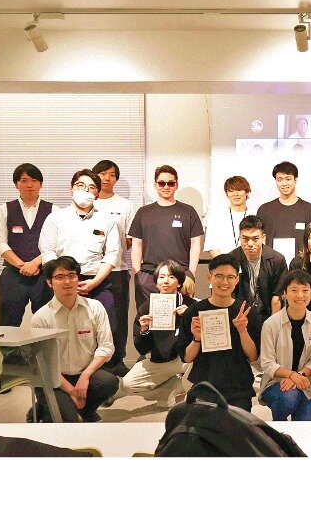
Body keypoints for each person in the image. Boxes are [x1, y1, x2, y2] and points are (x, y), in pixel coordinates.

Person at [38, 169, 120, 375]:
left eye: (91, 187)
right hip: (63, 281)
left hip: (96, 281)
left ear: (97, 194)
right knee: (61, 329)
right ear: (71, 190)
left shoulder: (108, 220)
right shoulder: (55, 218)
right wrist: (62, 279)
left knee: (108, 326)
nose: (86, 190)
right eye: (80, 186)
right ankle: (60, 376)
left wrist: (94, 282)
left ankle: (101, 376)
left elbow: (111, 255)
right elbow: (47, 251)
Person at [31, 256, 118, 423]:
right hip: (55, 379)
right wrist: (71, 391)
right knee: (68, 421)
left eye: (71, 275)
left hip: (84, 374)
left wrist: (85, 376)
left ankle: (86, 410)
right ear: (49, 282)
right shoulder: (41, 318)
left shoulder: (95, 307)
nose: (67, 281)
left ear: (78, 278)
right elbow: (43, 362)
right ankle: (45, 407)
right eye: (60, 277)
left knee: (109, 382)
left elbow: (106, 347)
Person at [177, 254, 262, 411]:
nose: (225, 282)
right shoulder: (194, 312)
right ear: (209, 278)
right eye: (219, 276)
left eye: (230, 277)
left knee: (237, 424)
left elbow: (253, 356)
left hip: (238, 387)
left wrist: (243, 331)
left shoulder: (246, 312)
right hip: (204, 385)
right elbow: (186, 357)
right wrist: (197, 339)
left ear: (237, 279)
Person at [116, 259, 194, 408]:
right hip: (159, 360)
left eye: (171, 277)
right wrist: (144, 330)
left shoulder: (191, 305)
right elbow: (142, 349)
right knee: (127, 384)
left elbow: (203, 339)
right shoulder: (146, 308)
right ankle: (169, 390)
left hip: (185, 360)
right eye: (161, 277)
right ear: (156, 283)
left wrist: (189, 317)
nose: (166, 281)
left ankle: (182, 389)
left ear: (179, 282)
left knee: (202, 366)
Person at [128, 164, 204, 307]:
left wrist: (191, 273)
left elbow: (196, 244)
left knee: (181, 317)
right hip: (149, 276)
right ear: (155, 185)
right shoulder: (143, 212)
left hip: (180, 276)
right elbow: (136, 244)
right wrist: (138, 274)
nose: (166, 187)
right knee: (147, 317)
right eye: (162, 183)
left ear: (176, 185)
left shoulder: (188, 211)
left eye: (170, 183)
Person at [258, 270, 311, 421]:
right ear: (285, 294)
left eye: (305, 290)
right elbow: (267, 363)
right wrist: (291, 375)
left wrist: (299, 376)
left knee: (310, 429)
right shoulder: (271, 324)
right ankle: (278, 428)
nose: (300, 295)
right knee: (289, 397)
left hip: (306, 384)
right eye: (294, 290)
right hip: (276, 383)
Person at [0, 163, 56, 326]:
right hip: (13, 275)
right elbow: (0, 243)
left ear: (41, 184)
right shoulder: (4, 209)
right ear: (16, 184)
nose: (29, 185)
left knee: (47, 324)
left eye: (34, 180)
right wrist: (22, 265)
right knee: (8, 324)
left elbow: (57, 244)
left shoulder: (54, 210)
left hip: (44, 275)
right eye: (24, 180)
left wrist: (35, 264)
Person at [92, 159, 136, 379]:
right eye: (102, 174)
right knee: (92, 319)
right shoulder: (88, 204)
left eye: (111, 174)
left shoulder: (125, 205)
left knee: (118, 319)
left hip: (117, 269)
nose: (107, 178)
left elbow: (130, 239)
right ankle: (95, 364)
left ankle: (118, 361)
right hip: (90, 271)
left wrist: (111, 247)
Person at [256, 161, 311, 258]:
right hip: (271, 264)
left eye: (288, 179)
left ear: (295, 180)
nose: (284, 183)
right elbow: (258, 239)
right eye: (280, 179)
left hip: (301, 264)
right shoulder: (264, 210)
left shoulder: (310, 210)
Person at [230, 215, 287, 321]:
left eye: (255, 239)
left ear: (263, 238)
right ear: (240, 237)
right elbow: (229, 294)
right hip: (238, 315)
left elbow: (277, 297)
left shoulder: (277, 260)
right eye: (245, 239)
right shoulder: (231, 260)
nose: (250, 244)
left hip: (267, 313)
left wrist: (273, 324)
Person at [203, 175, 254, 257]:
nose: (235, 194)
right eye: (231, 191)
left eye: (239, 190)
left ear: (247, 192)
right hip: (223, 263)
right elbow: (212, 245)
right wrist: (224, 263)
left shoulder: (255, 215)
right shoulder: (216, 216)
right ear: (227, 193)